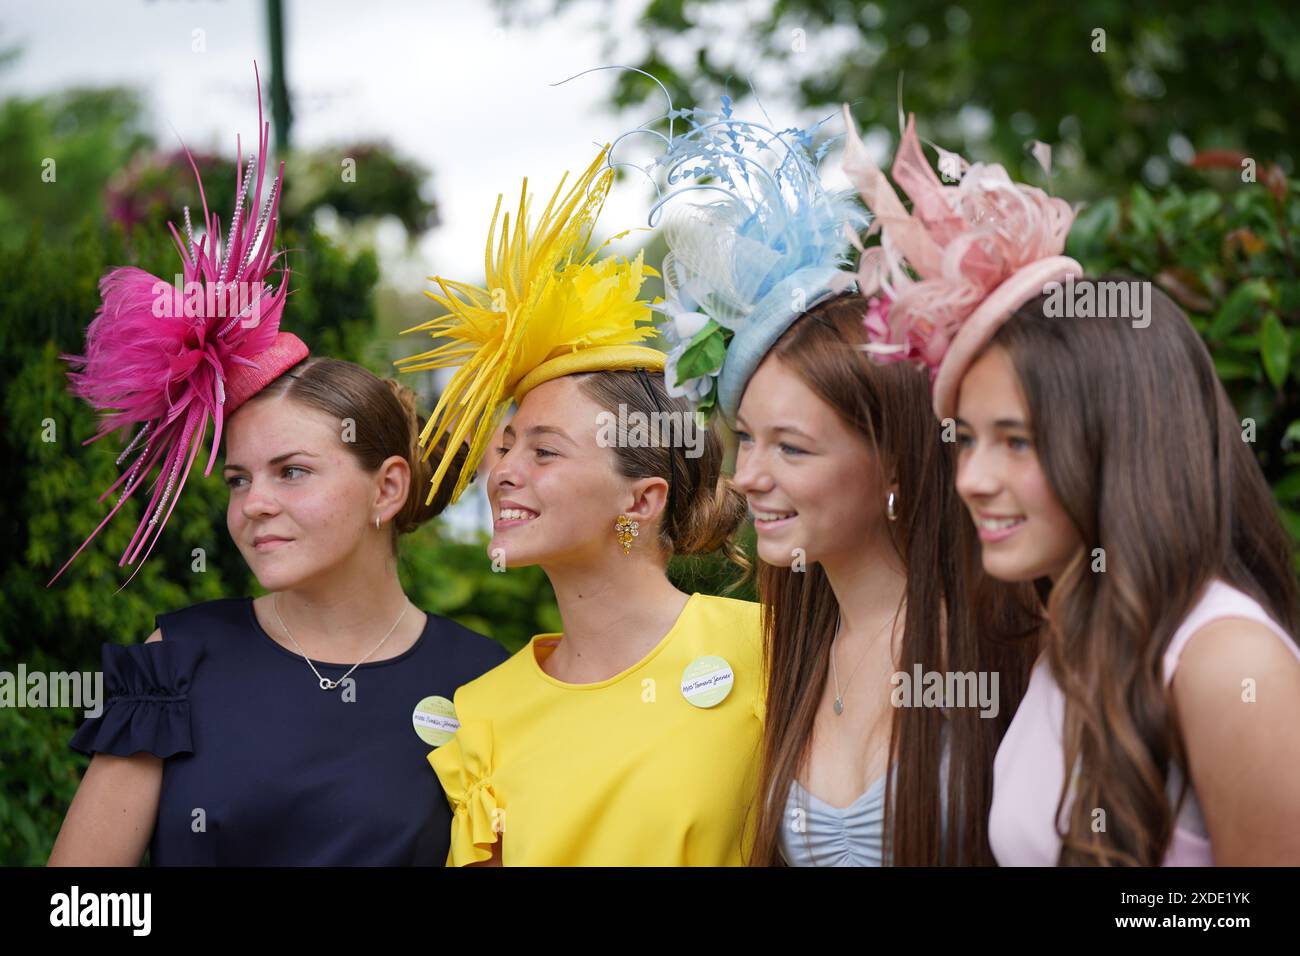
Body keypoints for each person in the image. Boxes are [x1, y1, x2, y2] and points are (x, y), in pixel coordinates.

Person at [47, 77, 505, 866]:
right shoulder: (180, 657)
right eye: (237, 479)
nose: (253, 504)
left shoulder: (484, 685)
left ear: (387, 489)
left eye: (292, 472)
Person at [843, 104, 1300, 865]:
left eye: (1017, 441)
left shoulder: (1227, 665)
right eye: (969, 439)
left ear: (1124, 439)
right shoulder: (1072, 634)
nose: (973, 480)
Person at [628, 100, 1037, 866]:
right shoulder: (792, 645)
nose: (747, 477)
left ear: (891, 458)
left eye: (792, 448)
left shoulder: (998, 639)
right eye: (745, 438)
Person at [400, 147, 762, 866]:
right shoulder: (481, 713)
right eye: (503, 448)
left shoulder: (770, 651)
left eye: (543, 451)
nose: (501, 472)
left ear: (643, 498)